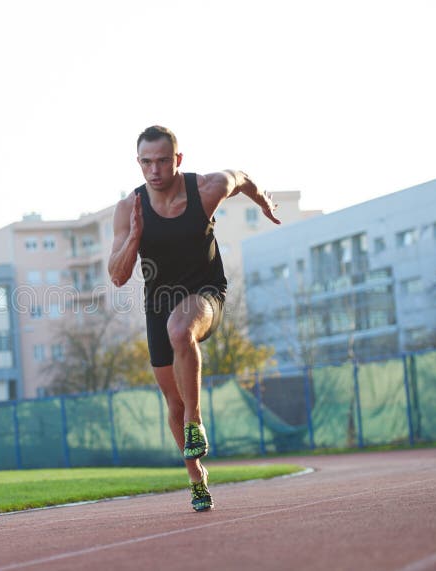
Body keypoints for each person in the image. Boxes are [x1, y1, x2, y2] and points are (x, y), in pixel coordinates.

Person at [107, 125, 280, 511]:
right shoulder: (128, 209)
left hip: (204, 294)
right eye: (146, 162)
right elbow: (117, 276)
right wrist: (134, 238)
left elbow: (243, 179)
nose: (155, 170)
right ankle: (196, 477)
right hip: (158, 302)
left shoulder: (206, 189)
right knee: (173, 402)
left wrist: (263, 201)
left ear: (177, 159)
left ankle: (195, 421)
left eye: (163, 161)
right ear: (139, 163)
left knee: (181, 329)